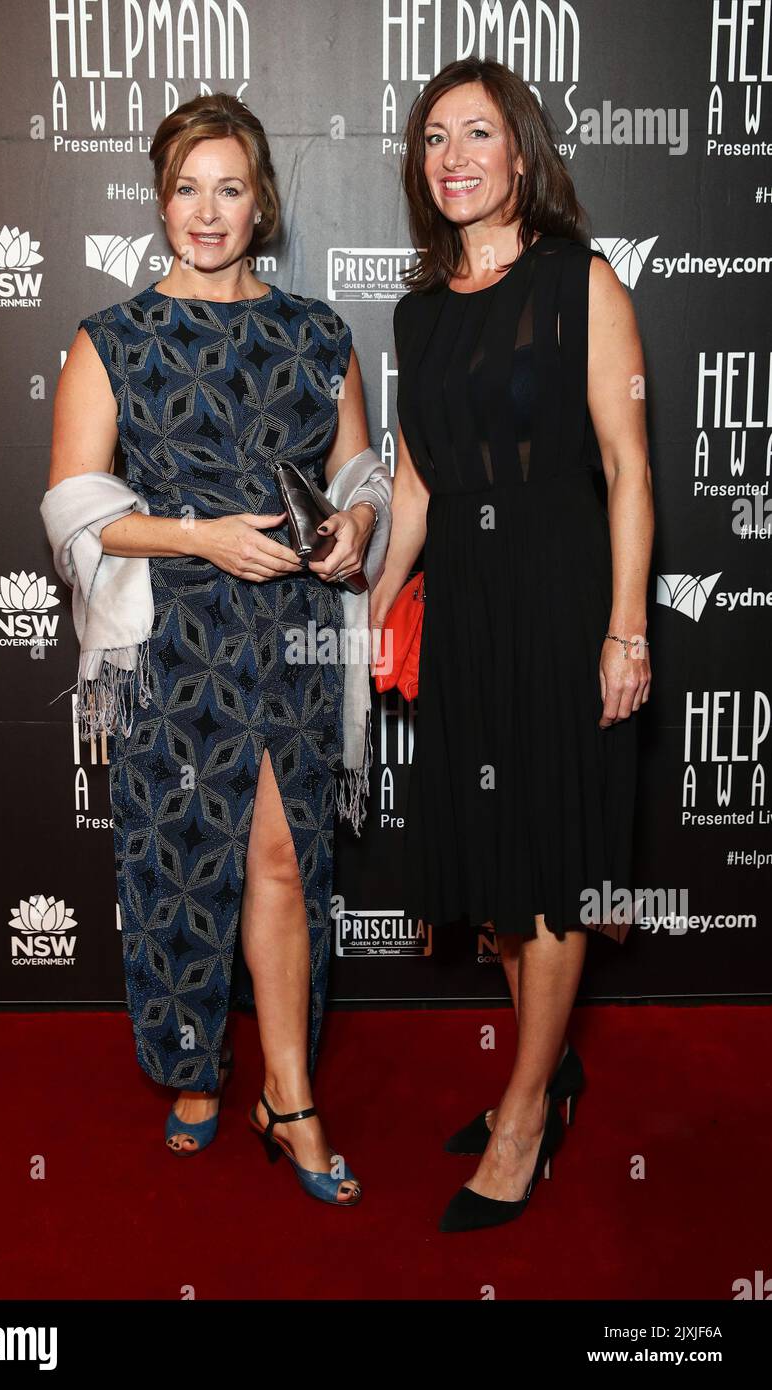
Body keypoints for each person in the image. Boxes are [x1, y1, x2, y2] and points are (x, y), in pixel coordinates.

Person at [45, 93, 389, 1206]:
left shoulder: (318, 332)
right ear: (159, 201)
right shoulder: (113, 339)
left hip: (291, 635)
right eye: (187, 187)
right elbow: (75, 505)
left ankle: (287, 1093)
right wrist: (198, 533)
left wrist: (352, 534)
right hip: (173, 635)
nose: (207, 210)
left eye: (229, 187)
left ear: (260, 203)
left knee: (287, 860)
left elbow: (358, 478)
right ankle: (193, 1067)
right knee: (181, 865)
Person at [371, 58, 653, 1231]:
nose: (451, 158)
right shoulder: (419, 310)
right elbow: (418, 483)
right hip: (467, 607)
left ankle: (526, 1110)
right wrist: (371, 604)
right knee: (493, 863)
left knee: (547, 868)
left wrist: (624, 626)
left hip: (559, 592)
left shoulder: (579, 282)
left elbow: (629, 467)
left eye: (476, 133)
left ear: (522, 152)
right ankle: (553, 1067)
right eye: (434, 138)